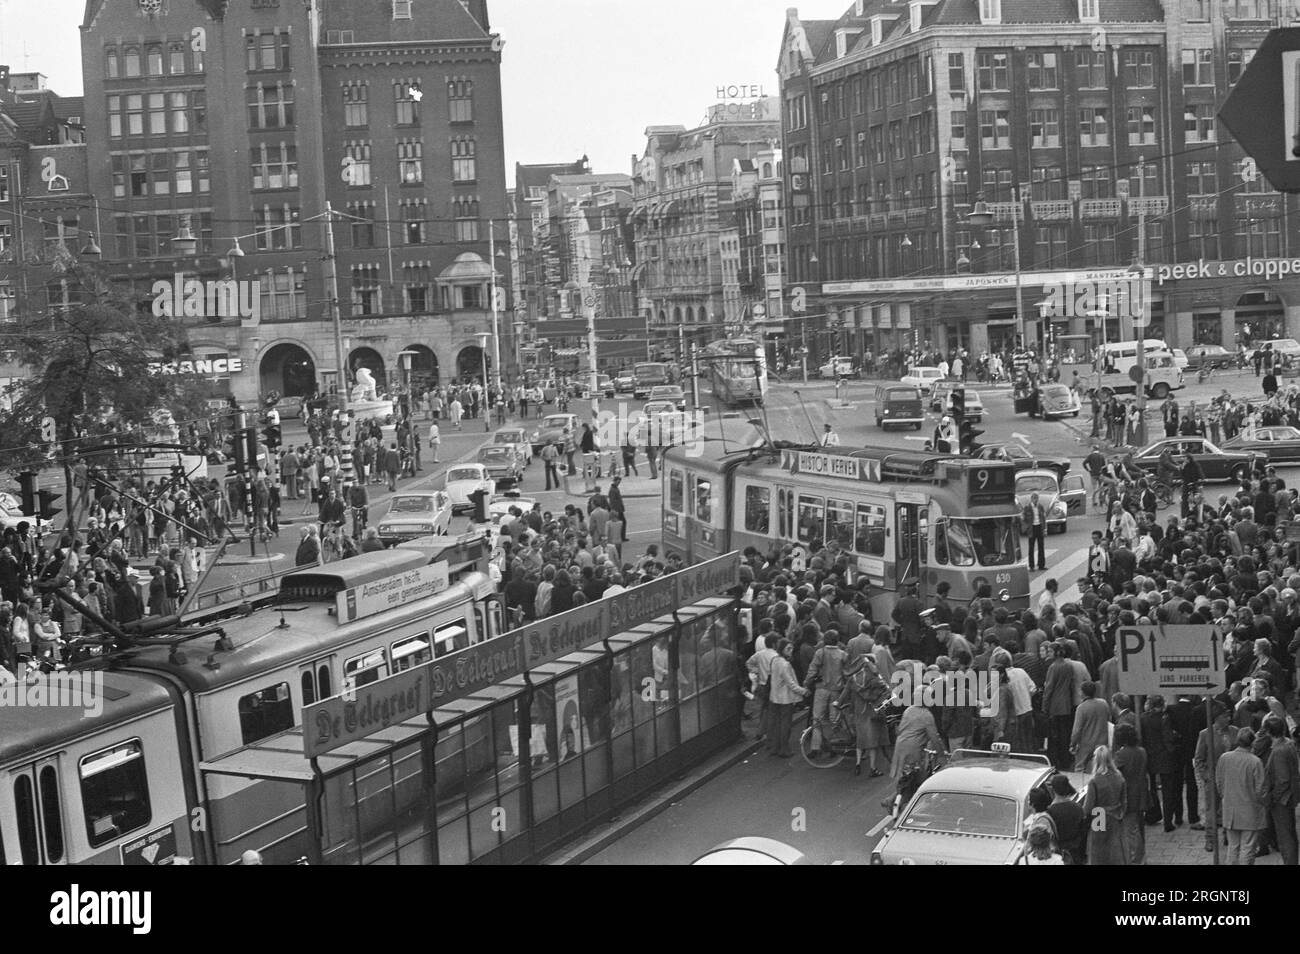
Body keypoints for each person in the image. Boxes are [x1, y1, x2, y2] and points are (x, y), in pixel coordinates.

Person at [1217, 727, 1269, 865]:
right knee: (1248, 848)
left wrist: (1226, 797)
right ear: (1252, 742)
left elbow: (1219, 783)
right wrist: (1263, 804)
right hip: (1250, 811)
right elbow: (1261, 790)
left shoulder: (1224, 758)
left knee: (1233, 848)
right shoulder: (1255, 761)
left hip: (1230, 810)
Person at [837, 653, 889, 777]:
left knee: (861, 740)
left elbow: (844, 694)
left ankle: (858, 764)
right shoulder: (873, 677)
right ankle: (872, 769)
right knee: (872, 743)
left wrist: (838, 703)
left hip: (859, 712)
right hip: (871, 711)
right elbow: (884, 690)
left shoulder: (853, 678)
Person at [1082, 745, 1129, 865]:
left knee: (1098, 852)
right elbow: (1124, 801)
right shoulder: (1119, 777)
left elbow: (1088, 807)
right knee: (1115, 849)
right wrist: (1120, 813)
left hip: (1099, 817)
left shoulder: (1094, 781)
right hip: (1116, 816)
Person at [1263, 715, 1300, 866]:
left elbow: (1283, 779)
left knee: (1285, 837)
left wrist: (1273, 797)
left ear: (1268, 732)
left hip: (1282, 800)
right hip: (1288, 796)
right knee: (1289, 834)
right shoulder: (1289, 744)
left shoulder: (1278, 751)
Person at [1113, 722, 1149, 865]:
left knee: (1131, 831)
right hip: (1142, 794)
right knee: (1139, 828)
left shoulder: (1121, 754)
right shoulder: (1141, 751)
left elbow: (1115, 773)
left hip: (1129, 796)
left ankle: (1136, 860)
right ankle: (1142, 857)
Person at [767, 638, 807, 758]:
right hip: (785, 699)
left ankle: (775, 747)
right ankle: (784, 749)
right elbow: (791, 683)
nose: (790, 651)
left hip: (774, 697)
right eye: (788, 649)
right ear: (782, 649)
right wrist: (804, 691)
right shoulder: (785, 665)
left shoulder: (774, 660)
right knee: (785, 725)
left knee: (777, 724)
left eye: (791, 649)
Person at [1070, 681, 1110, 772]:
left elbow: (1077, 730)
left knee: (1080, 768)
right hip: (1102, 742)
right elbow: (1108, 719)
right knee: (1101, 768)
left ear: (1083, 693)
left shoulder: (1081, 708)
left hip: (1085, 745)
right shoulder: (1103, 703)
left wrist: (1073, 744)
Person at [1047, 774, 1087, 864]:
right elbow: (1083, 831)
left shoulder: (1050, 811)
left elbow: (1050, 836)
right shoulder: (1078, 807)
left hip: (1059, 855)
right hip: (1076, 853)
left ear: (1053, 790)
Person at [1023, 492, 1048, 571]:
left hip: (1039, 527)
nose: (1035, 500)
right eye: (1034, 498)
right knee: (1031, 548)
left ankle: (1041, 565)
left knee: (1041, 547)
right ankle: (1031, 566)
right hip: (1032, 528)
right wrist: (1027, 527)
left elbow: (1043, 518)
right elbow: (1024, 519)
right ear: (1031, 499)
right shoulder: (1027, 507)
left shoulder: (1040, 506)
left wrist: (1044, 529)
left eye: (1036, 498)